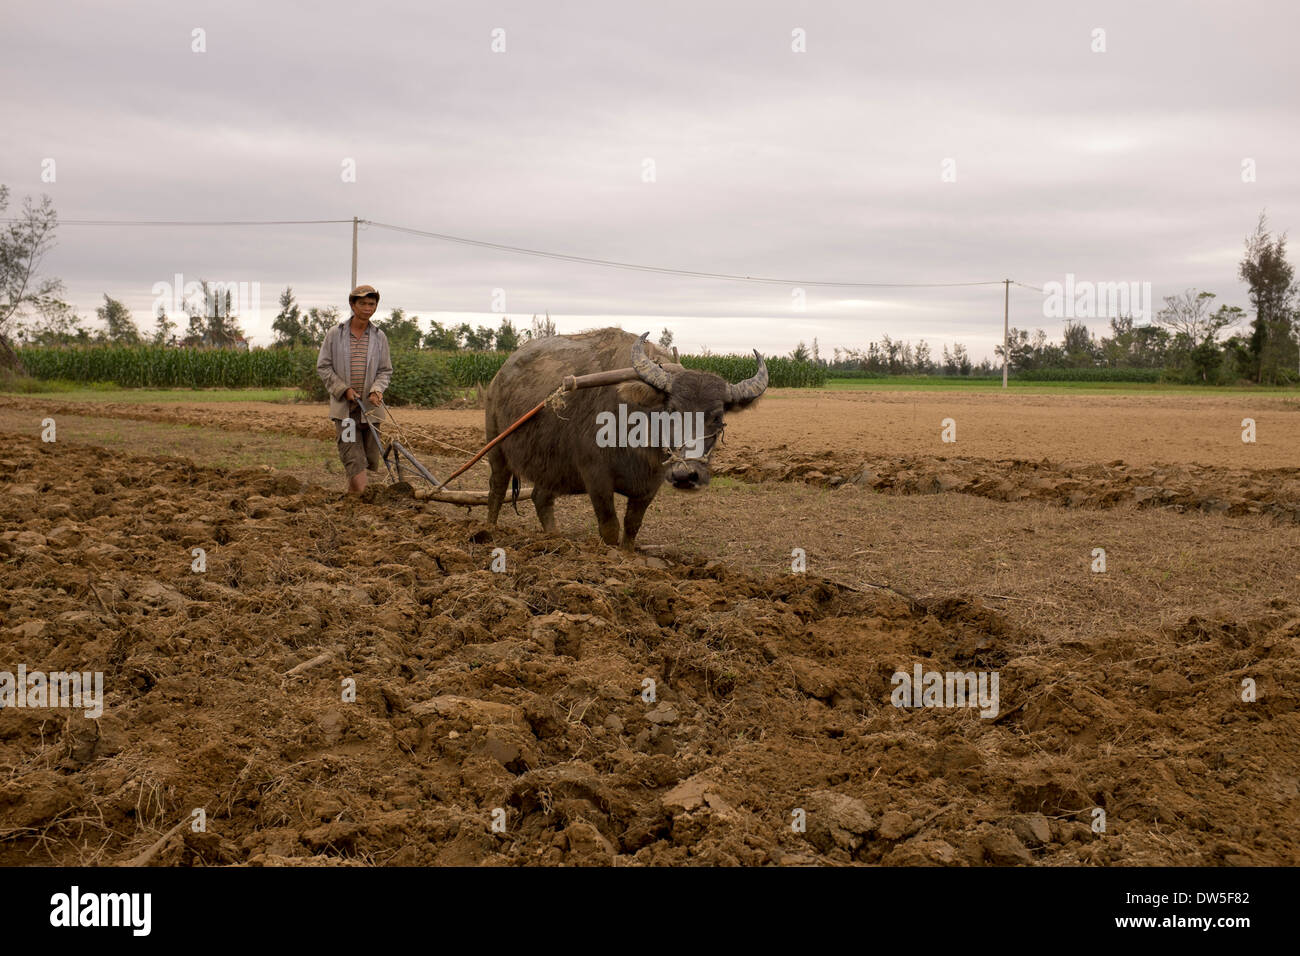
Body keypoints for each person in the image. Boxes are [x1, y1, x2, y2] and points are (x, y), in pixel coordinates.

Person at [316, 284, 393, 495]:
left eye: (372, 304)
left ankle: (353, 499)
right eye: (363, 304)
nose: (368, 308)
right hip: (346, 411)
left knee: (368, 458)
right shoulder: (336, 334)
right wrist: (343, 389)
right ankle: (364, 498)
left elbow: (385, 370)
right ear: (352, 305)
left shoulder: (379, 337)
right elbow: (323, 366)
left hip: (370, 411)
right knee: (353, 456)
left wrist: (377, 389)